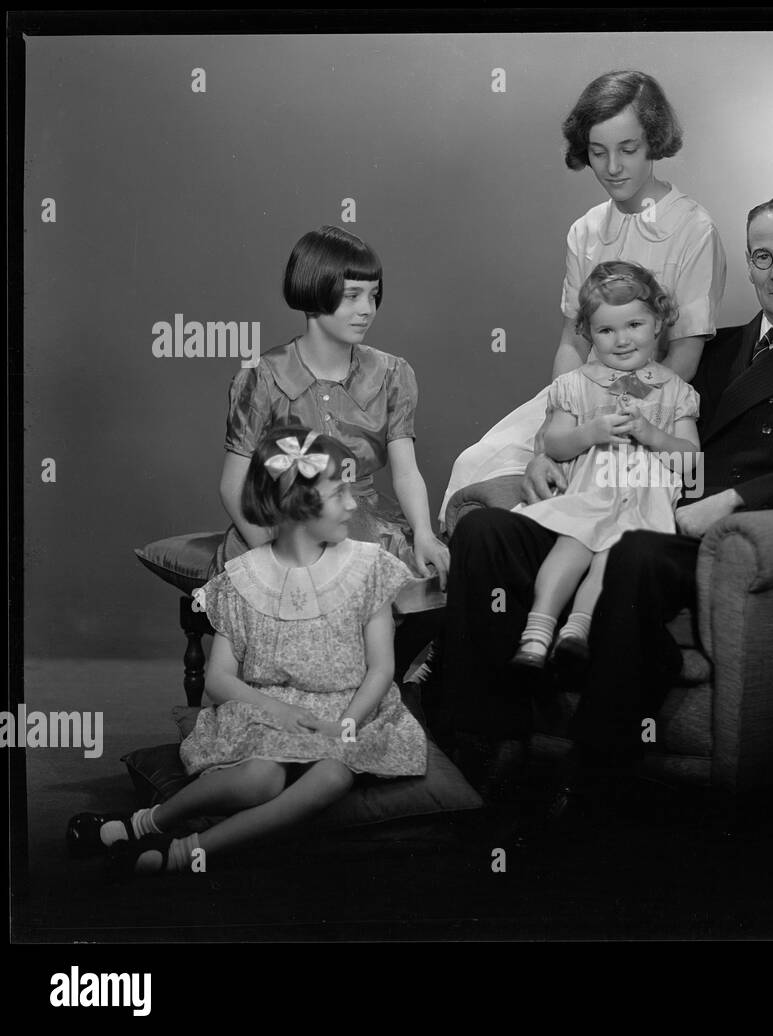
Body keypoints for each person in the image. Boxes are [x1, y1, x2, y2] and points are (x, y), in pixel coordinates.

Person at [440, 196, 773, 819]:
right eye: (762, 256)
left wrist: (735, 500)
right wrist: (541, 456)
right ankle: (489, 747)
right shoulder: (709, 354)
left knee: (633, 551)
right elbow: (610, 397)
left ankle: (594, 773)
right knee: (488, 533)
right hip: (637, 504)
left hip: (719, 535)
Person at [68, 426, 428, 877]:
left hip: (347, 711)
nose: (354, 504)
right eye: (338, 494)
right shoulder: (243, 579)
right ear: (297, 505)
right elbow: (219, 679)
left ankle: (186, 853)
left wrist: (348, 724)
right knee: (261, 778)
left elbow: (381, 668)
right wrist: (276, 710)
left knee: (334, 773)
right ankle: (147, 824)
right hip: (269, 710)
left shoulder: (367, 566)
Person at [438, 70, 725, 523]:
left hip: (651, 401)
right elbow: (573, 343)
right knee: (475, 463)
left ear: (653, 141)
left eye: (628, 150)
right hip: (576, 398)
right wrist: (547, 439)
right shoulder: (586, 230)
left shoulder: (694, 229)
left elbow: (686, 355)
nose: (612, 167)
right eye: (598, 152)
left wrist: (624, 423)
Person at [216, 225, 447, 674]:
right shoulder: (262, 376)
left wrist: (422, 531)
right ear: (315, 291)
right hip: (285, 522)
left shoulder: (393, 373)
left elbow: (405, 471)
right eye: (352, 296)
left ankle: (386, 682)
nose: (367, 310)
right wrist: (273, 553)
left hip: (362, 515)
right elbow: (233, 484)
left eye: (374, 296)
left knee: (435, 578)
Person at [510, 261, 700, 667]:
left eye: (634, 325)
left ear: (658, 324)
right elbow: (555, 445)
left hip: (644, 502)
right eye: (606, 330)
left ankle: (576, 631)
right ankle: (537, 630)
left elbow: (691, 463)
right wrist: (589, 433)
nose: (621, 340)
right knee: (573, 544)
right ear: (588, 333)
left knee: (614, 559)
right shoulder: (575, 385)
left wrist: (654, 436)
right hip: (593, 491)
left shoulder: (676, 393)